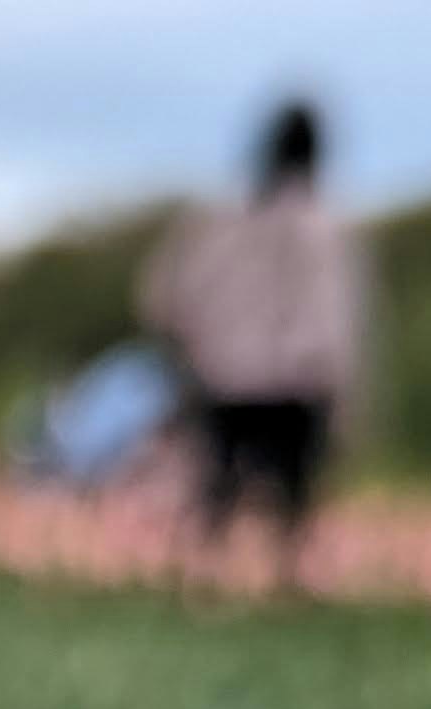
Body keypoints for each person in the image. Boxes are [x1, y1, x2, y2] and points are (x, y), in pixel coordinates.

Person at [138, 99, 370, 573]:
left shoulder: (216, 219)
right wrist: (344, 398)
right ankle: (286, 581)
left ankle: (199, 581)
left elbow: (164, 299)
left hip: (223, 379)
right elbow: (333, 320)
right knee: (293, 503)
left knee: (215, 491)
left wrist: (193, 349)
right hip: (297, 386)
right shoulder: (323, 227)